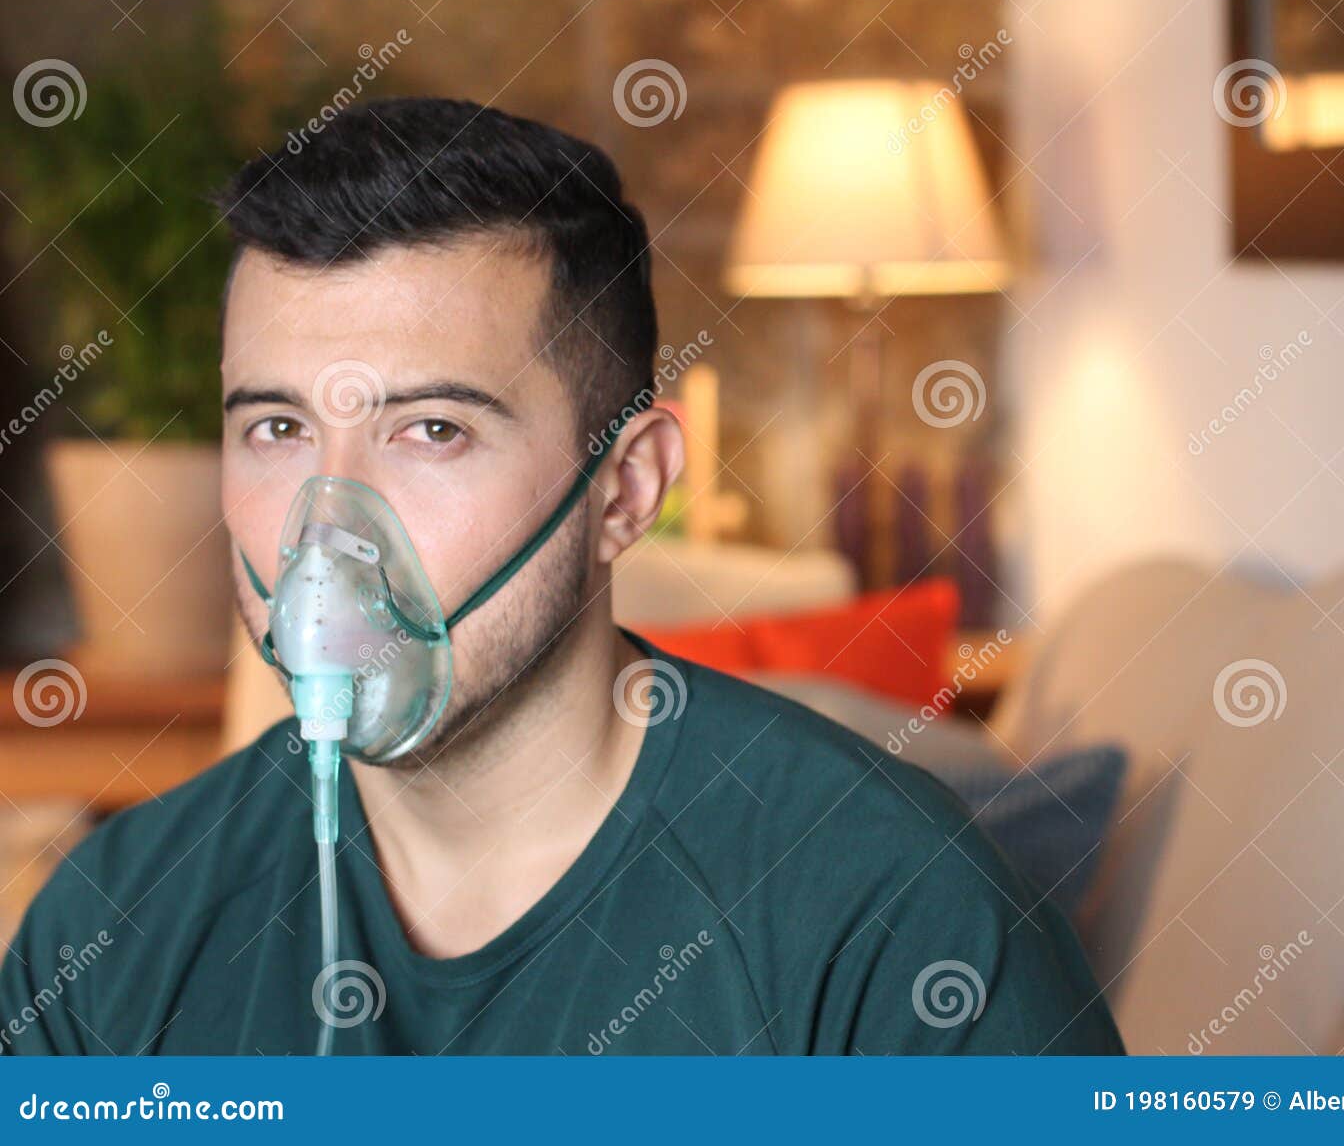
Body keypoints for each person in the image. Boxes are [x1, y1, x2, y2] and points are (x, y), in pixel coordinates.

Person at [0, 97, 1122, 1056]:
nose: (325, 529)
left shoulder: (896, 920)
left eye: (431, 429)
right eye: (279, 427)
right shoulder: (114, 930)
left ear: (626, 487)